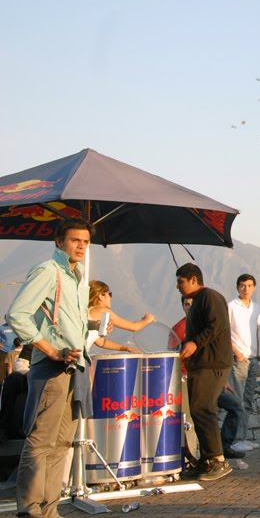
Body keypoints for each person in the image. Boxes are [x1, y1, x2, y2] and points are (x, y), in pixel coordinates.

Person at [5, 218, 96, 518]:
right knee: (41, 441)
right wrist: (50, 350)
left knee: (61, 444)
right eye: (74, 240)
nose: (81, 246)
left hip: (75, 368)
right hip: (51, 369)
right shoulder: (48, 271)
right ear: (59, 241)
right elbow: (17, 315)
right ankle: (29, 510)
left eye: (85, 241)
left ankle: (50, 509)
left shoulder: (77, 277)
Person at [176, 262, 234, 481]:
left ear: (193, 279)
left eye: (181, 281)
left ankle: (218, 460)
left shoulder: (210, 297)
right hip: (200, 364)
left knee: (203, 409)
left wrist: (195, 344)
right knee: (197, 409)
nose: (178, 286)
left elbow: (216, 325)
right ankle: (207, 461)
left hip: (213, 363)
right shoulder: (196, 301)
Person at [227, 273, 260, 454]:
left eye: (249, 285)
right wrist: (236, 352)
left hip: (253, 358)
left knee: (248, 399)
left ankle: (243, 436)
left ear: (254, 288)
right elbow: (225, 332)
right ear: (237, 287)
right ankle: (234, 439)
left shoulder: (256, 308)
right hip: (239, 359)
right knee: (238, 400)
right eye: (242, 285)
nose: (246, 289)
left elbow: (255, 332)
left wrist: (257, 353)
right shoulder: (231, 306)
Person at [86, 280, 146, 353]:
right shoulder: (102, 311)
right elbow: (134, 327)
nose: (111, 298)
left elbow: (101, 342)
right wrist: (148, 319)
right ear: (101, 296)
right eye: (109, 294)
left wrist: (126, 348)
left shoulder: (89, 311)